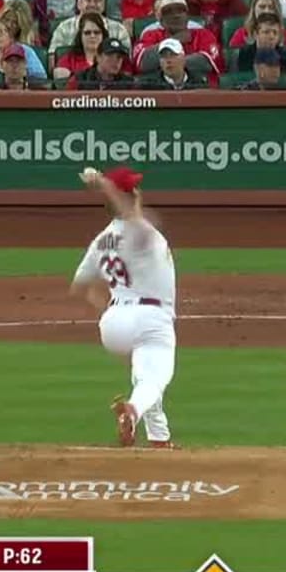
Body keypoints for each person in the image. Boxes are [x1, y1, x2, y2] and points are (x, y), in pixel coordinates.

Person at [71, 166, 180, 449]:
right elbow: (130, 213)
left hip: (113, 321)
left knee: (146, 375)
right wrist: (104, 184)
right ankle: (131, 412)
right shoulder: (140, 231)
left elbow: (81, 287)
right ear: (130, 195)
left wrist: (111, 318)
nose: (138, 191)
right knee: (155, 379)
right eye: (133, 188)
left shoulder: (100, 241)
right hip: (150, 317)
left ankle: (160, 439)